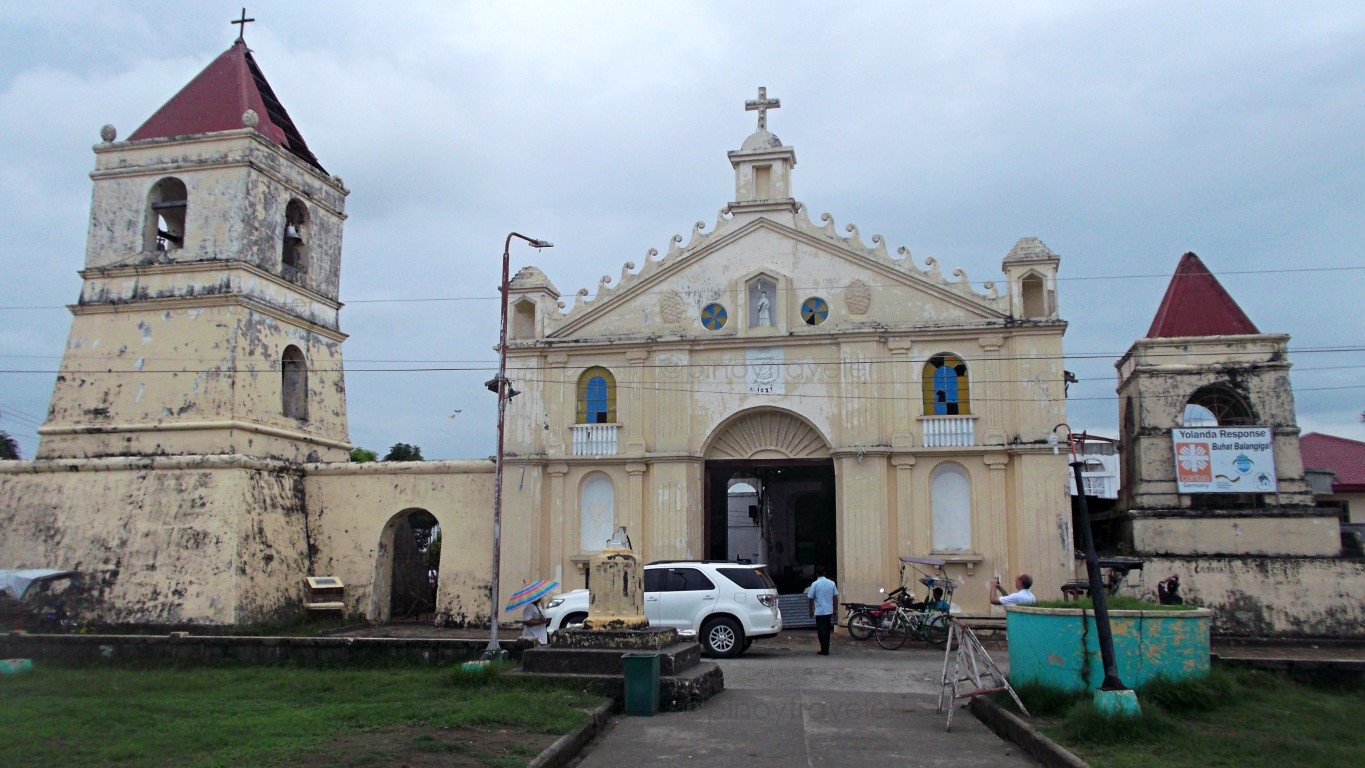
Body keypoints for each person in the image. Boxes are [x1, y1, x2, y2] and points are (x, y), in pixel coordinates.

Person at [805, 565, 839, 656]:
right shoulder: (831, 583)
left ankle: (824, 649)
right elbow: (835, 597)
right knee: (827, 631)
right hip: (828, 611)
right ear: (825, 573)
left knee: (821, 631)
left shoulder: (814, 584)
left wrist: (810, 610)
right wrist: (835, 609)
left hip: (819, 612)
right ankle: (826, 648)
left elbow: (810, 599)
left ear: (816, 574)